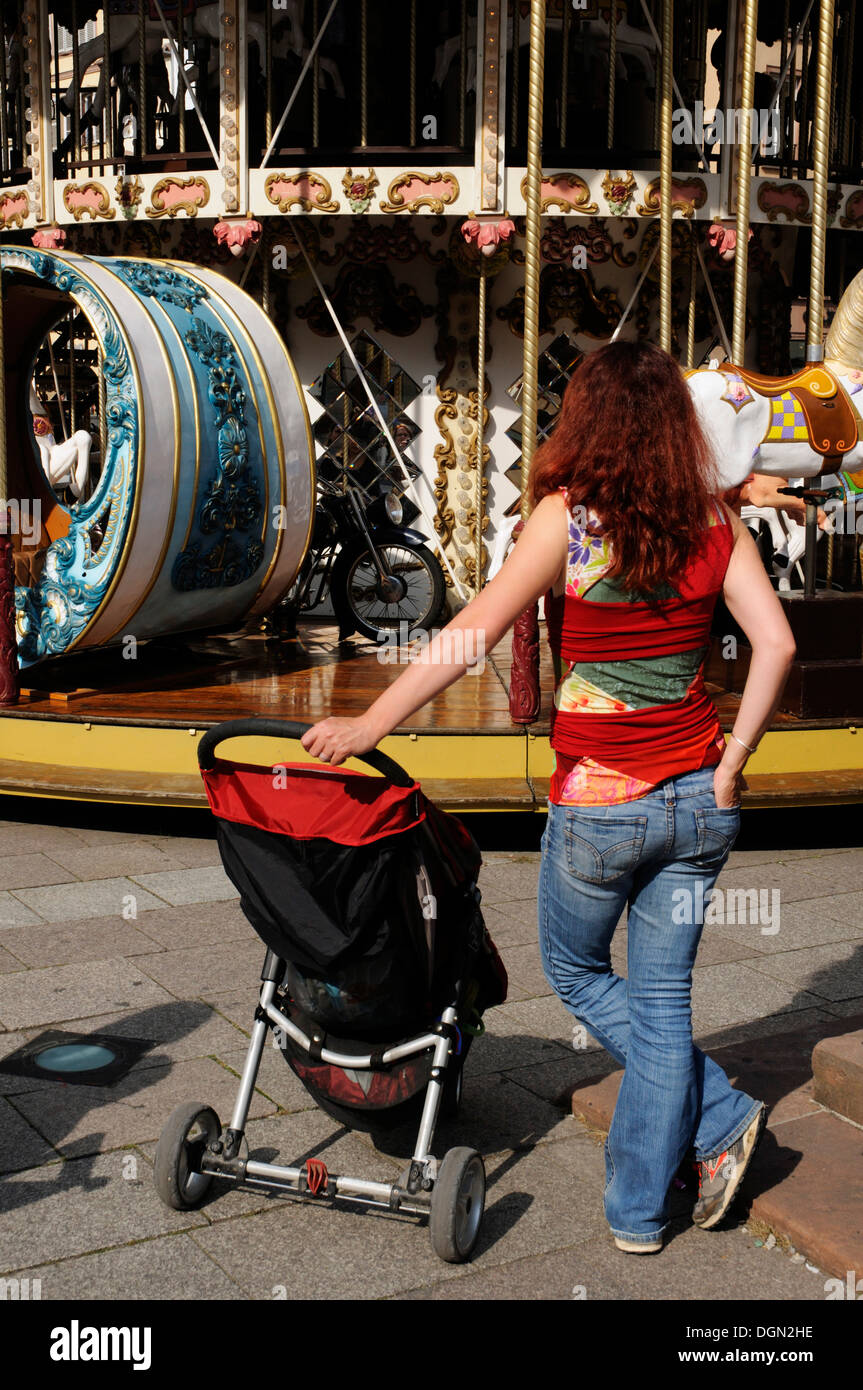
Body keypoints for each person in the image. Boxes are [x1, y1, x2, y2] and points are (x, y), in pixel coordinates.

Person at [301, 339, 797, 1254]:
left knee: (574, 972)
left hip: (601, 809)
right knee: (661, 1003)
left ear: (586, 423)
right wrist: (732, 765)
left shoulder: (566, 522)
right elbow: (775, 646)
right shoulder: (716, 524)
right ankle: (641, 1212)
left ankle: (719, 1114)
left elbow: (467, 635)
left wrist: (372, 725)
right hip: (698, 802)